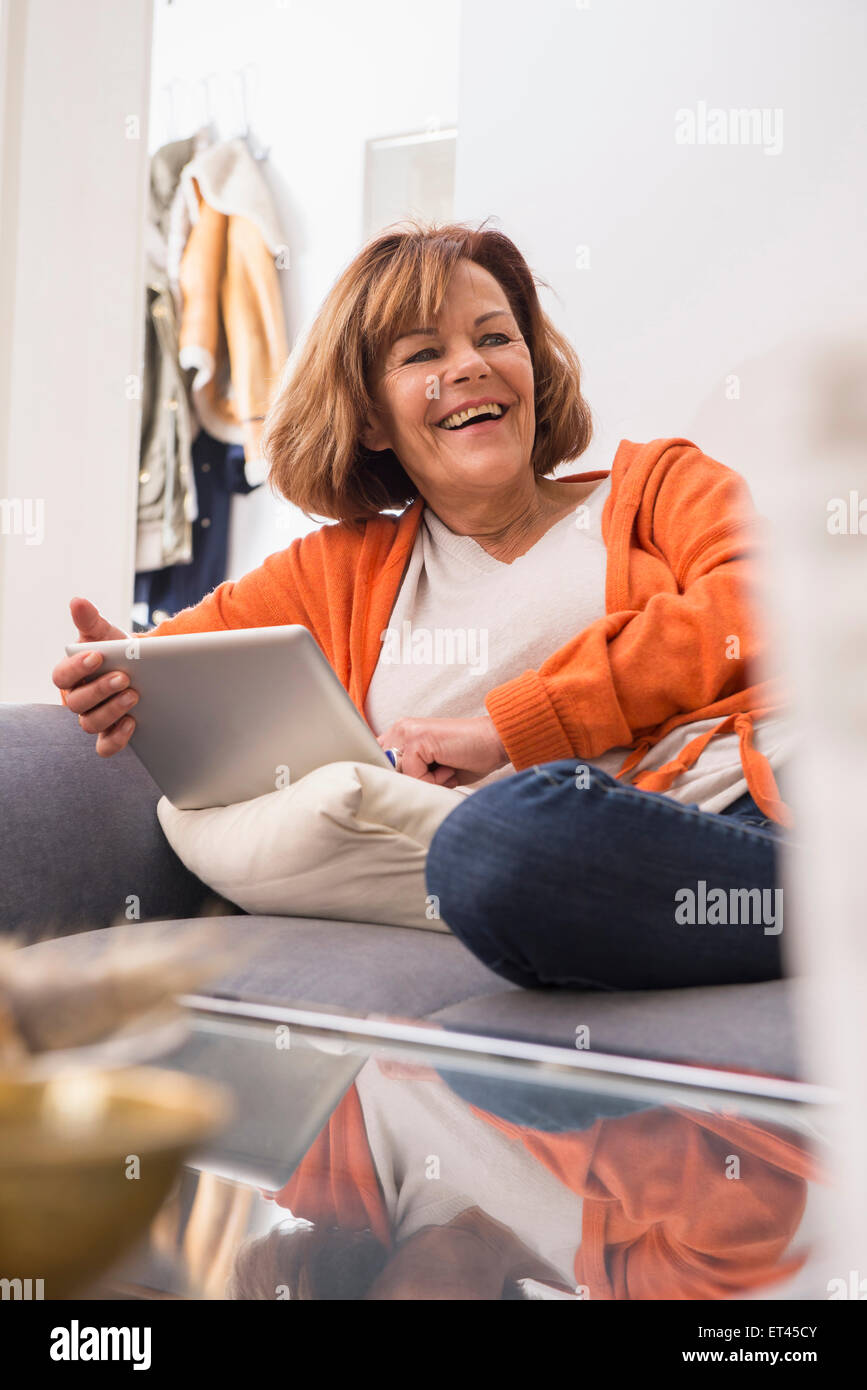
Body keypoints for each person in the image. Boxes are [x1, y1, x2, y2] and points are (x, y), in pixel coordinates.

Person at [52, 220, 792, 989]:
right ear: (369, 417)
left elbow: (753, 607)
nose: (470, 366)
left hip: (759, 811)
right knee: (497, 848)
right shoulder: (335, 572)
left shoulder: (660, 486)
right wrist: (114, 672)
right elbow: (176, 665)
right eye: (423, 354)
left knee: (515, 829)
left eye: (495, 337)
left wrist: (508, 729)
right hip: (562, 862)